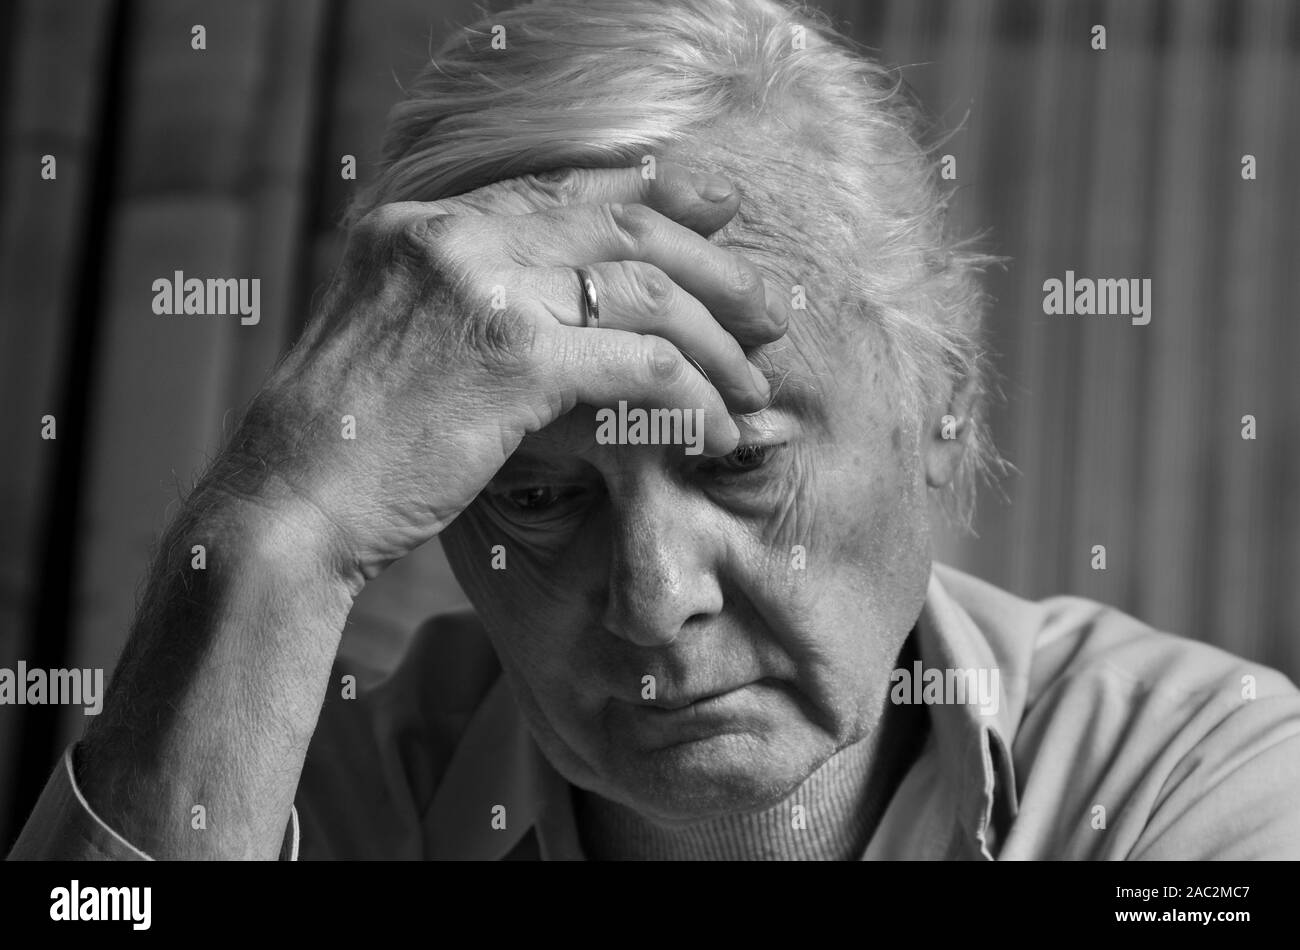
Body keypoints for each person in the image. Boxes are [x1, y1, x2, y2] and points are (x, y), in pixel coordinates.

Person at [11, 0, 1300, 861]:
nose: (651, 599)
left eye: (737, 458)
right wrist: (272, 524)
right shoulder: (303, 785)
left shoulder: (1196, 781)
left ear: (943, 404)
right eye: (533, 496)